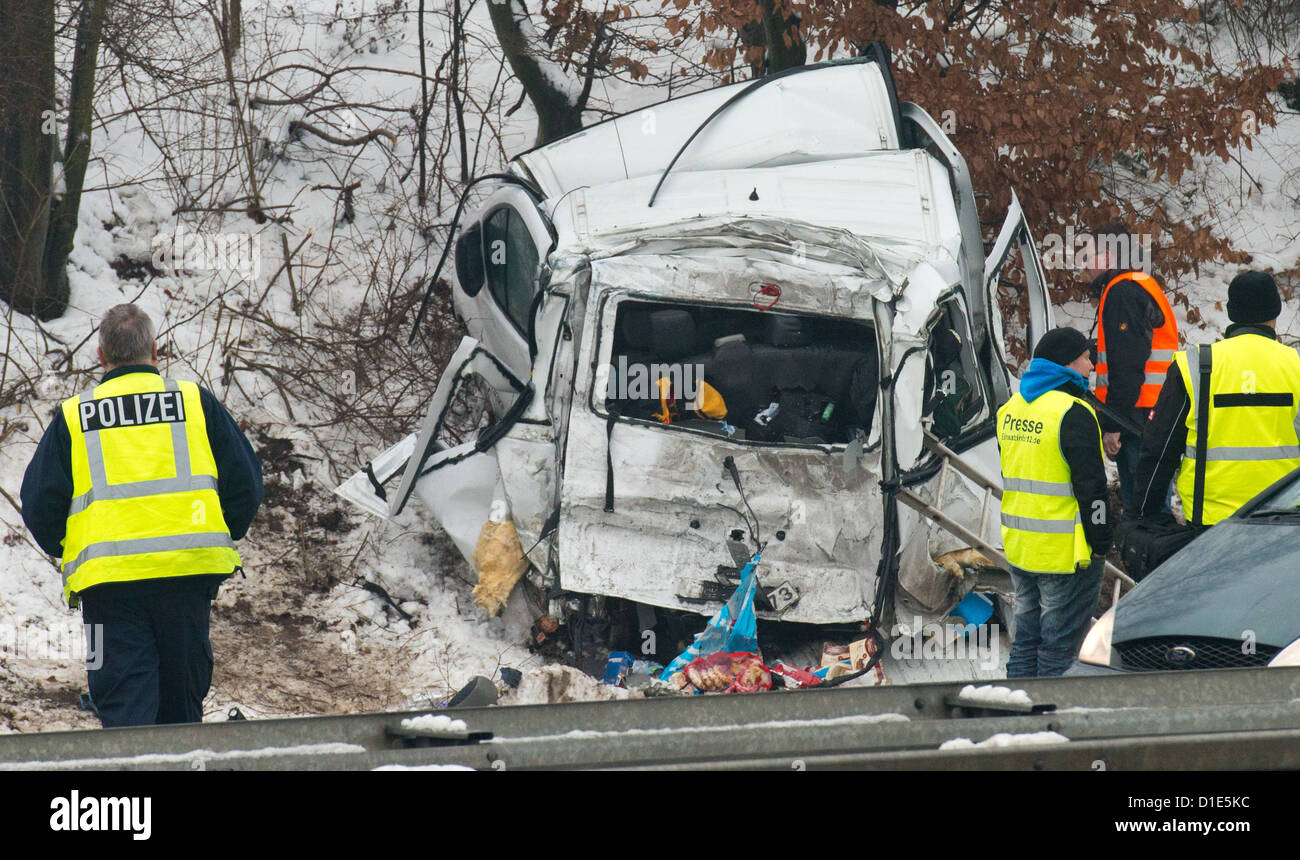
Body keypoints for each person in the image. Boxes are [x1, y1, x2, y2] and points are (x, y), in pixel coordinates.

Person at [20, 304, 262, 728]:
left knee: (122, 711)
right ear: (155, 350)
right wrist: (217, 533)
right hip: (187, 581)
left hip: (107, 591)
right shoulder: (193, 402)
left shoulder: (75, 416)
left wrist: (75, 548)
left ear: (101, 356)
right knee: (181, 712)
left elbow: (39, 502)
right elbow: (246, 483)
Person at [1135, 271, 1300, 527]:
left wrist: (1145, 514)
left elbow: (1159, 449)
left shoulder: (1195, 366)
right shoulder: (1295, 366)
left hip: (1209, 525)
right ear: (1275, 312)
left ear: (1231, 312)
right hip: (1285, 522)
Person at [997, 327, 1112, 677]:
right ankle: (1049, 723)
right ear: (1066, 363)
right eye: (1086, 357)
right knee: (1059, 650)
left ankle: (1014, 717)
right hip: (1065, 554)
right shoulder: (1074, 412)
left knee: (1025, 641)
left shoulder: (1010, 408)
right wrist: (1102, 541)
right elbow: (1092, 487)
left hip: (1020, 547)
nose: (1092, 365)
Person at [1081, 221, 1178, 519]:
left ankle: (1151, 565)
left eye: (1088, 256)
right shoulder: (1135, 285)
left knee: (1143, 509)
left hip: (1137, 418)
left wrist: (1114, 424)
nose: (1081, 266)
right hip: (1151, 412)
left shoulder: (1122, 291)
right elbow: (1127, 355)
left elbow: (1127, 366)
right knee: (1150, 502)